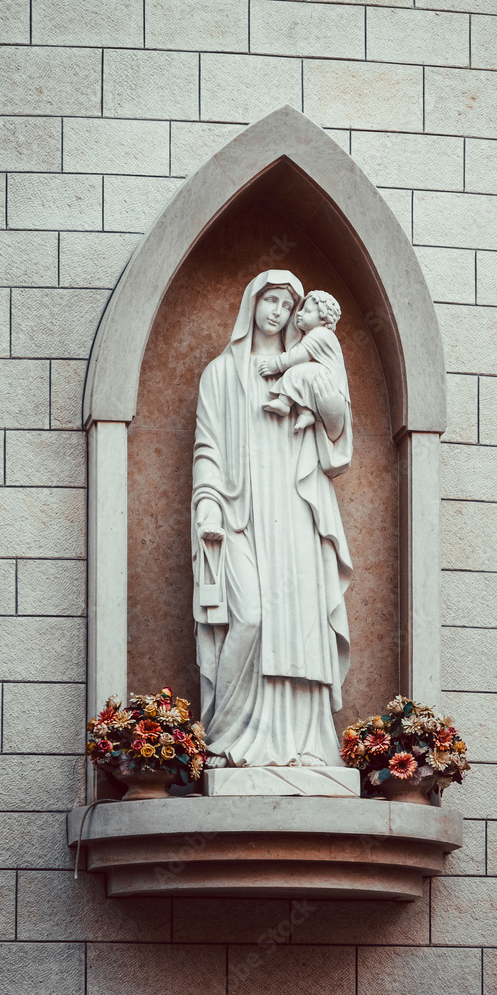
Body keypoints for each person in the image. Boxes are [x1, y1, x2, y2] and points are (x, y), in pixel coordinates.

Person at [191, 270, 353, 768]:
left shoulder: (308, 359)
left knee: (299, 618)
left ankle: (303, 743)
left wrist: (328, 390)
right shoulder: (220, 374)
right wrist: (207, 504)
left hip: (295, 508)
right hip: (240, 514)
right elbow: (207, 447)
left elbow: (337, 433)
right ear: (252, 303)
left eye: (287, 303)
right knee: (252, 615)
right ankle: (223, 735)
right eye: (270, 299)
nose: (278, 311)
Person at [258, 290, 348, 434]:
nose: (299, 314)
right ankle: (306, 413)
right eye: (300, 309)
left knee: (295, 373)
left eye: (307, 311)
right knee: (302, 384)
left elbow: (298, 355)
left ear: (323, 319)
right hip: (319, 379)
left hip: (325, 381)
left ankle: (284, 402)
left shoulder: (320, 334)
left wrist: (276, 365)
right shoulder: (318, 334)